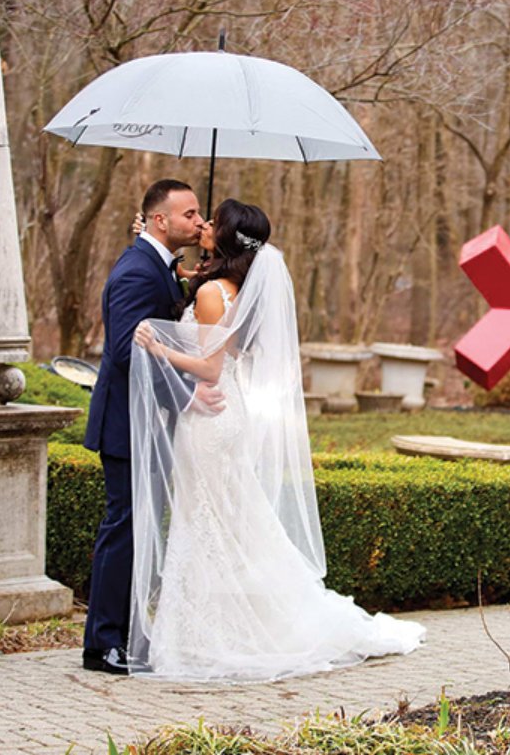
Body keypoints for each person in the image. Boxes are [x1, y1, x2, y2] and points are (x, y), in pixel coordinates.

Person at [127, 199, 424, 681]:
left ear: (225, 239)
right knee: (224, 520)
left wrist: (159, 347)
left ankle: (206, 637)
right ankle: (221, 630)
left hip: (209, 419)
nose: (204, 225)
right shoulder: (238, 291)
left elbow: (207, 366)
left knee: (203, 520)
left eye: (213, 222)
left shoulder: (211, 295)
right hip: (229, 412)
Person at [81, 179, 220, 675]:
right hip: (126, 427)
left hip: (147, 425)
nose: (198, 222)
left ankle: (124, 633)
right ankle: (102, 644)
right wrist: (187, 394)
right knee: (124, 529)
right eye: (189, 214)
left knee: (139, 530)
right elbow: (124, 352)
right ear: (160, 220)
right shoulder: (137, 272)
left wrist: (190, 282)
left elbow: (157, 329)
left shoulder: (159, 269)